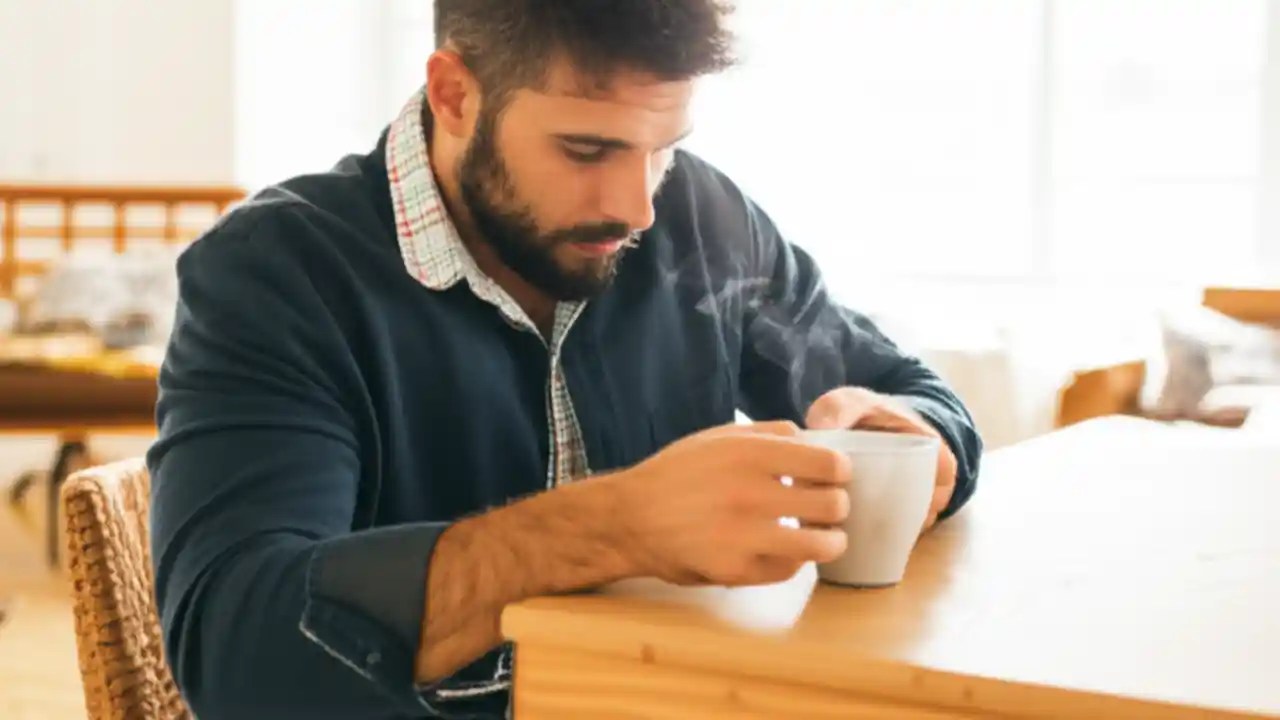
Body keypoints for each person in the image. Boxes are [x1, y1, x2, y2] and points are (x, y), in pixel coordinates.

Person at [148, 1, 983, 718]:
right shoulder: (276, 273)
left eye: (663, 147)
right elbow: (239, 652)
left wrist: (913, 436)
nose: (637, 206)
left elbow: (908, 392)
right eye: (587, 151)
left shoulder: (699, 222)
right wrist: (616, 527)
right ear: (455, 95)